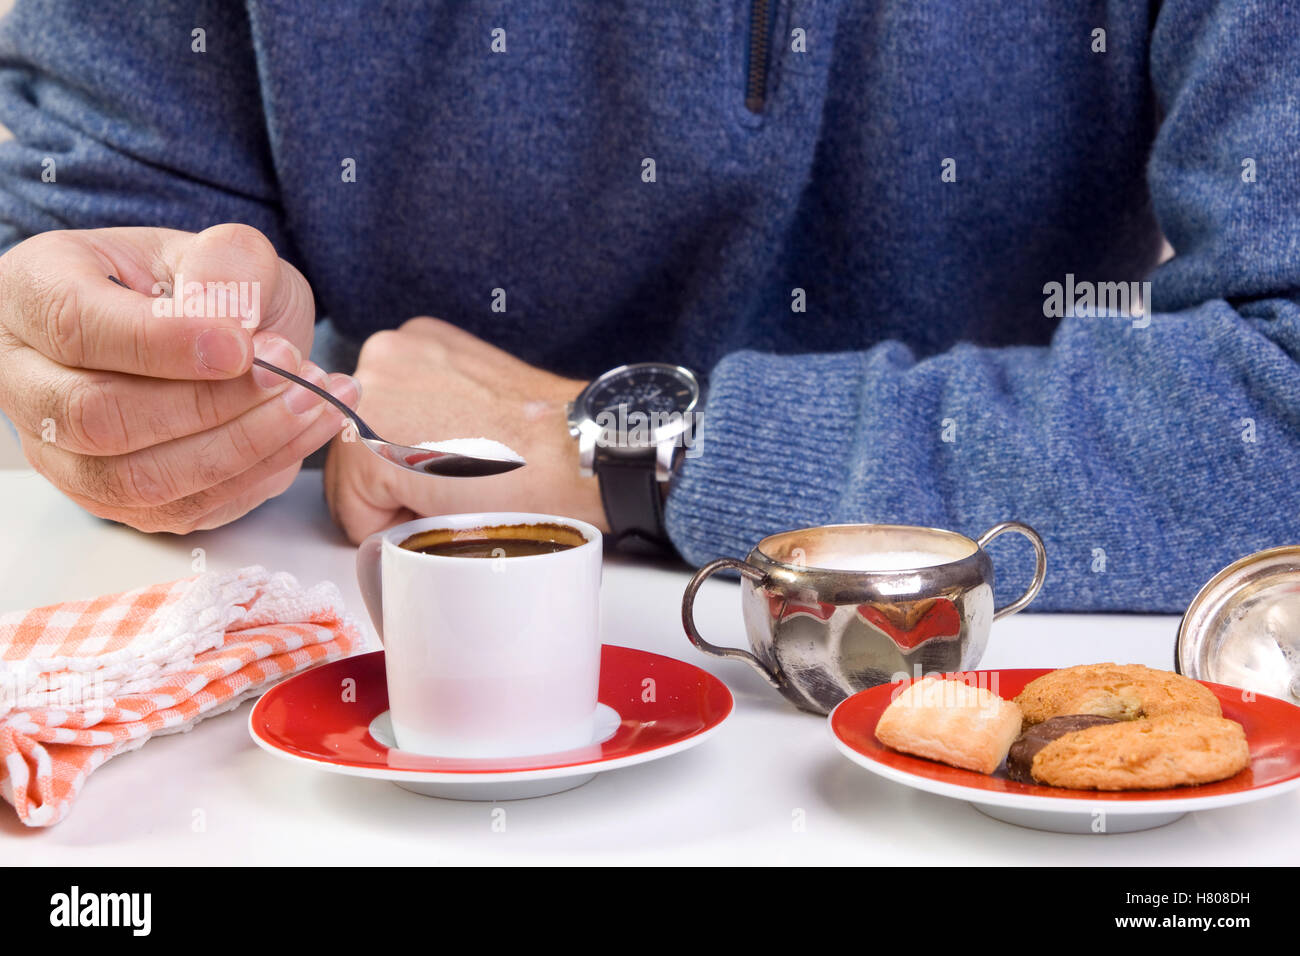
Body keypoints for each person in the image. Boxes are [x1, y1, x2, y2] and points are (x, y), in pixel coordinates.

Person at [0, 1, 1296, 612]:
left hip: (994, 684)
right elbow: (94, 203)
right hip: (366, 645)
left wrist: (620, 448)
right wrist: (148, 351)